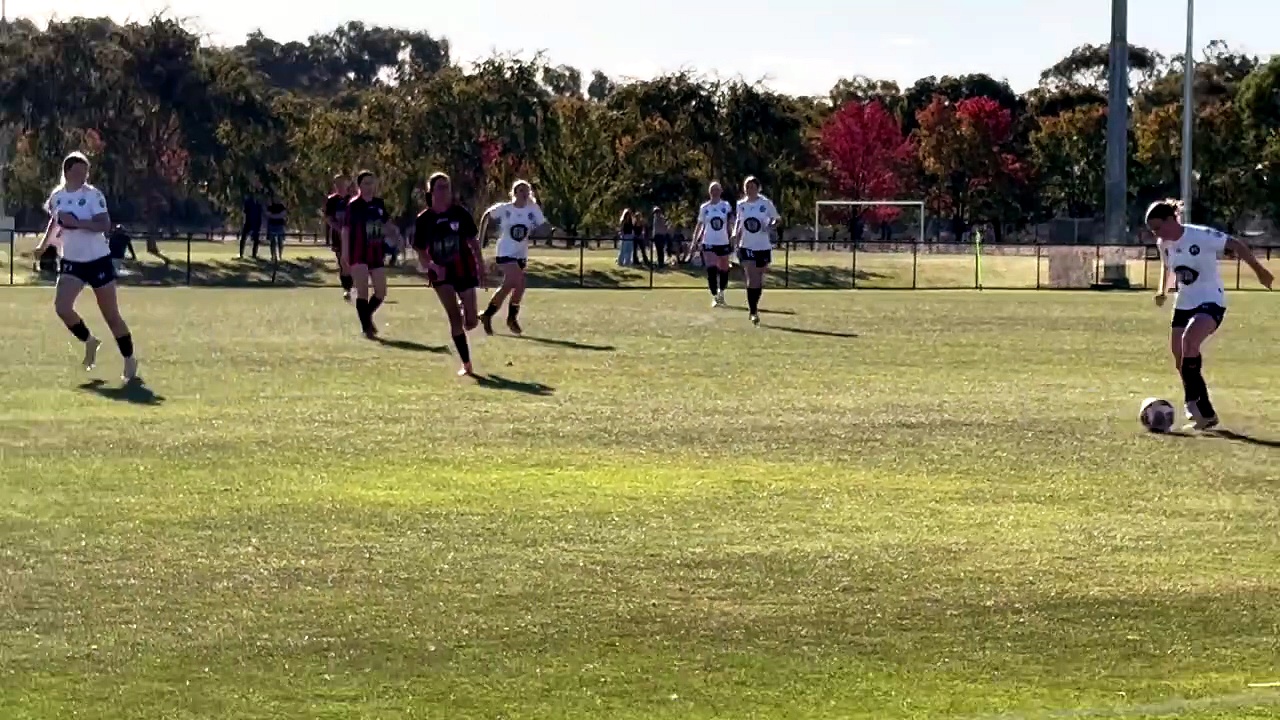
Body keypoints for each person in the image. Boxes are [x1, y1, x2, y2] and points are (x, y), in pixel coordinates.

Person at [1149, 198, 1273, 430]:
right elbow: (1168, 268)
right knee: (1180, 358)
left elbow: (1235, 244)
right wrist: (1162, 291)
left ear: (1171, 219)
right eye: (1153, 230)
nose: (1157, 233)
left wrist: (1260, 271)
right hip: (1184, 302)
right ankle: (1205, 413)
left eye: (1158, 227)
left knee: (1190, 342)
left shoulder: (1200, 235)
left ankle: (1195, 406)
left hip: (1210, 299)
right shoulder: (1163, 243)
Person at [32, 152, 138, 380]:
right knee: (62, 308)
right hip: (71, 261)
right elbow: (55, 219)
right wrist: (42, 245)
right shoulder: (57, 196)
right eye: (79, 171)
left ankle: (129, 359)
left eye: (86, 172)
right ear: (67, 171)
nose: (84, 176)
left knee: (111, 316)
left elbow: (104, 224)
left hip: (98, 259)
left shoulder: (93, 195)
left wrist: (77, 223)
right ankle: (90, 341)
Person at [413, 172, 486, 376]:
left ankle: (466, 310)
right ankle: (466, 364)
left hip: (464, 268)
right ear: (431, 191)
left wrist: (481, 266)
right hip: (441, 273)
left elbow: (473, 241)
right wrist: (432, 266)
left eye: (448, 187)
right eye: (440, 187)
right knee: (454, 318)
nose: (445, 191)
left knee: (471, 322)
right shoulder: (424, 219)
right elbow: (419, 249)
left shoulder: (460, 213)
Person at [478, 179, 548, 335]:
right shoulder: (505, 208)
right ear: (514, 193)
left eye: (526, 191)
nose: (524, 194)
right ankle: (511, 318)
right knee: (517, 281)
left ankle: (487, 314)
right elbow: (487, 215)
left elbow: (543, 224)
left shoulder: (532, 209)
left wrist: (549, 230)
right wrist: (480, 237)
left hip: (520, 254)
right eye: (521, 190)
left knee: (513, 286)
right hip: (505, 252)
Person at [341, 171, 401, 338]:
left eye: (372, 183)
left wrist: (396, 235)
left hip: (376, 252)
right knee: (363, 292)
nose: (370, 187)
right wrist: (345, 253)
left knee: (381, 292)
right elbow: (345, 230)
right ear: (359, 186)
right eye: (366, 183)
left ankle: (366, 317)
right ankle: (366, 327)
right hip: (358, 252)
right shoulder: (353, 205)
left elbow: (387, 223)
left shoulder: (379, 204)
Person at [732, 176, 780, 325]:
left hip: (763, 246)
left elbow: (777, 219)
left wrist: (770, 226)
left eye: (752, 186)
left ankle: (754, 306)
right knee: (751, 277)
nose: (749, 189)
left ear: (758, 188)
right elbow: (739, 222)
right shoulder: (741, 204)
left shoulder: (765, 203)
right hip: (746, 245)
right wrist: (735, 234)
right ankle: (753, 311)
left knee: (758, 280)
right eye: (747, 186)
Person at [694, 182, 733, 307]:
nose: (715, 192)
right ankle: (715, 296)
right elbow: (700, 225)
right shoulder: (704, 208)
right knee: (711, 269)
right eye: (712, 190)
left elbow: (730, 223)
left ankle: (722, 293)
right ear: (709, 192)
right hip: (708, 241)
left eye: (717, 189)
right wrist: (695, 240)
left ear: (721, 191)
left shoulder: (726, 206)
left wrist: (733, 237)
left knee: (724, 269)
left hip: (723, 242)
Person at [323, 174, 354, 301]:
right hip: (338, 236)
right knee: (343, 262)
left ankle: (355, 285)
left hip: (354, 236)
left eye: (343, 182)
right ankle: (347, 289)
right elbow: (328, 218)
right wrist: (339, 229)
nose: (340, 185)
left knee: (354, 262)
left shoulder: (353, 199)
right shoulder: (332, 200)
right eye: (337, 183)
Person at [239, 193, 263, 259]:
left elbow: (260, 214)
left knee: (256, 240)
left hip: (256, 223)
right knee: (243, 238)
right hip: (248, 222)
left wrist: (259, 224)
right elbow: (245, 212)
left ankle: (254, 254)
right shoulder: (248, 202)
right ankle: (241, 254)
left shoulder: (258, 204)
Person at [265, 197, 287, 262]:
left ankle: (280, 256)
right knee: (272, 242)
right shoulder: (270, 207)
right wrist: (278, 216)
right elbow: (268, 215)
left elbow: (283, 214)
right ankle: (273, 256)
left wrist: (274, 216)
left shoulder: (281, 206)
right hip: (272, 225)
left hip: (280, 226)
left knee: (280, 241)